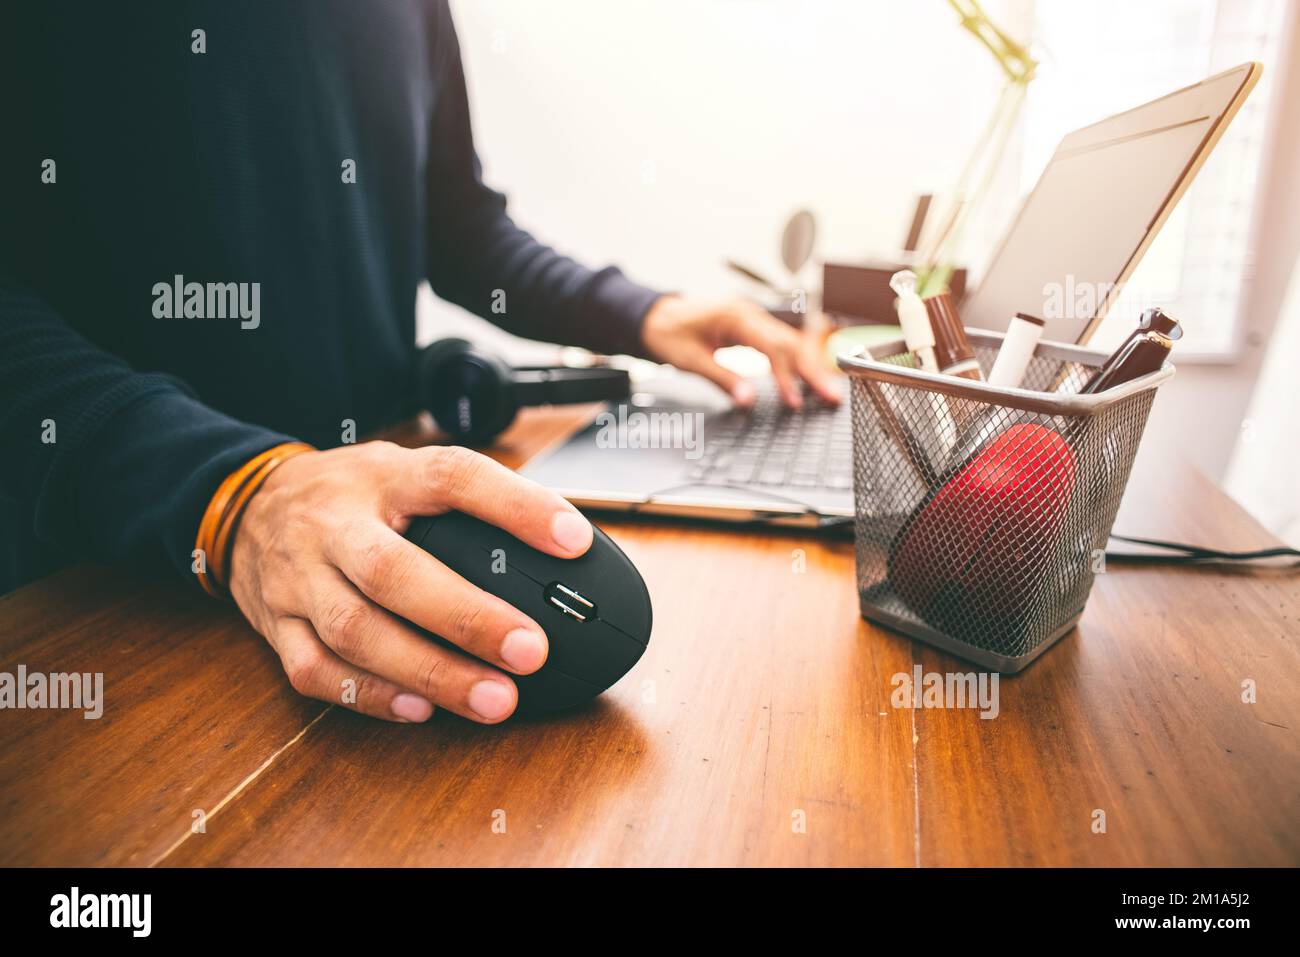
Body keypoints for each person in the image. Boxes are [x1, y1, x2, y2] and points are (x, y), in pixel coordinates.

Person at [1, 1, 835, 725]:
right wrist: (233, 492)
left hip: (378, 540)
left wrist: (645, 314)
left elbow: (460, 229)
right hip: (105, 584)